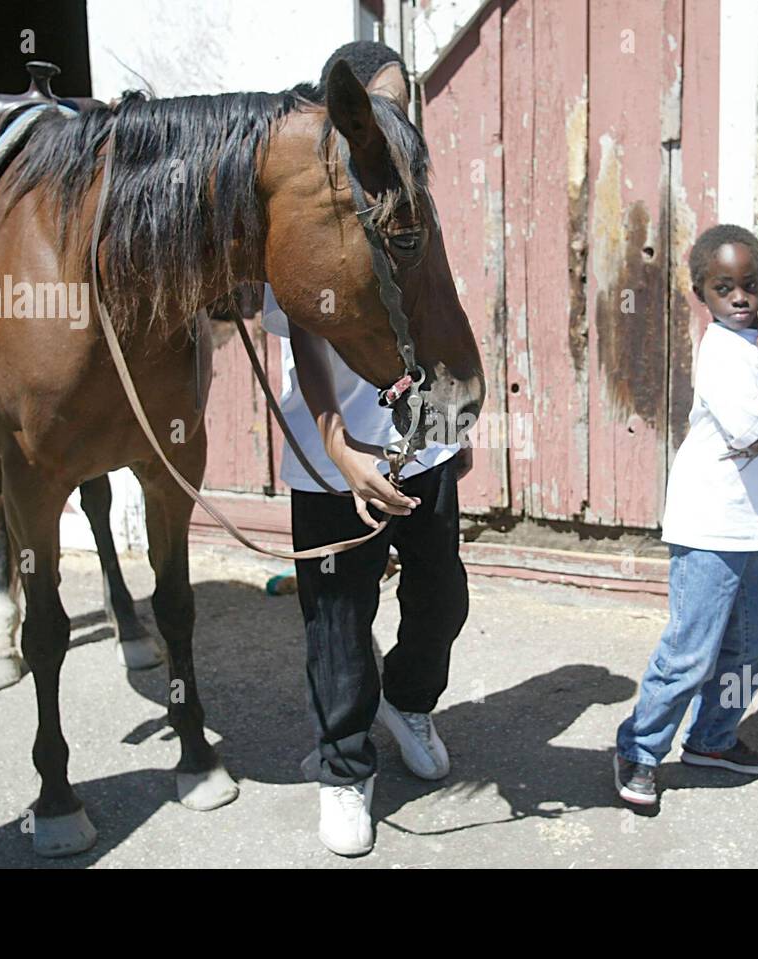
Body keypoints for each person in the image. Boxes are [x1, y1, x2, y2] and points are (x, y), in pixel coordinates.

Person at [263, 42, 472, 857]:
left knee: (444, 597)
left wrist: (451, 434)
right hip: (335, 461)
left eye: (403, 102)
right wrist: (340, 451)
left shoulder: (413, 198)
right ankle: (346, 770)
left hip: (420, 448)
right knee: (339, 625)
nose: (396, 119)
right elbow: (304, 349)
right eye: (380, 105)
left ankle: (409, 699)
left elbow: (441, 317)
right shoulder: (308, 214)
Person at [613, 224, 758, 807]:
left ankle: (712, 738)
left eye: (750, 285)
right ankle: (640, 749)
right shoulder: (721, 351)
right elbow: (752, 428)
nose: (741, 297)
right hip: (712, 524)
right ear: (702, 294)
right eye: (725, 288)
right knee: (693, 647)